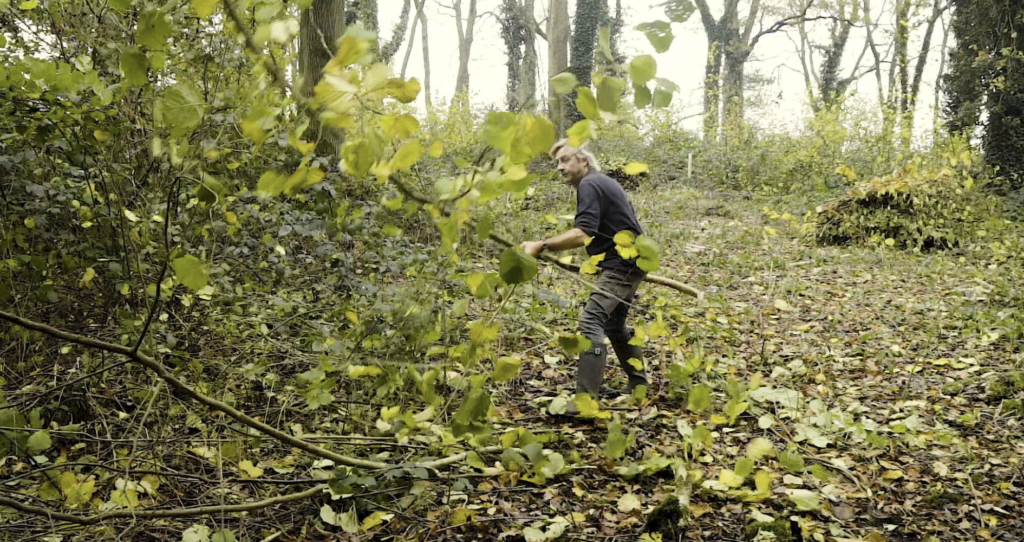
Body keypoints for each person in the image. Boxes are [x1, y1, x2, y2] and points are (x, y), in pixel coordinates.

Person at [520, 139, 649, 417]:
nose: (560, 167)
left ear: (584, 161)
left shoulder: (590, 184)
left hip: (622, 264)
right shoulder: (599, 182)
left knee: (592, 321)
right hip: (630, 261)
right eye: (557, 162)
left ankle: (584, 403)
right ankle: (639, 386)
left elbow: (583, 232)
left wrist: (542, 245)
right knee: (614, 326)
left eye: (566, 160)